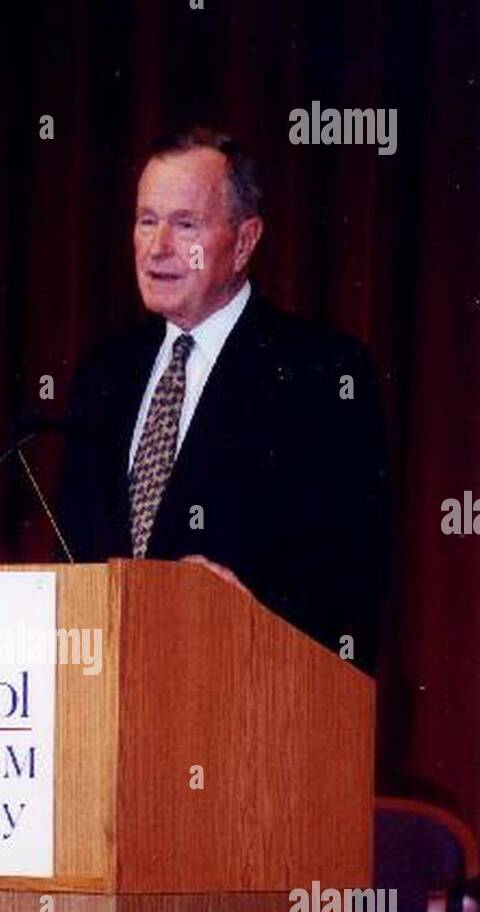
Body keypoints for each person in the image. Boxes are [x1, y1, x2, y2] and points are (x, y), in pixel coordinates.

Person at [59, 127, 388, 672]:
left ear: (244, 241)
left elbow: (353, 569)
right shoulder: (104, 374)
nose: (159, 247)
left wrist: (249, 610)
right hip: (105, 700)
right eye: (147, 221)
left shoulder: (321, 372)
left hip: (248, 697)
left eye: (185, 224)